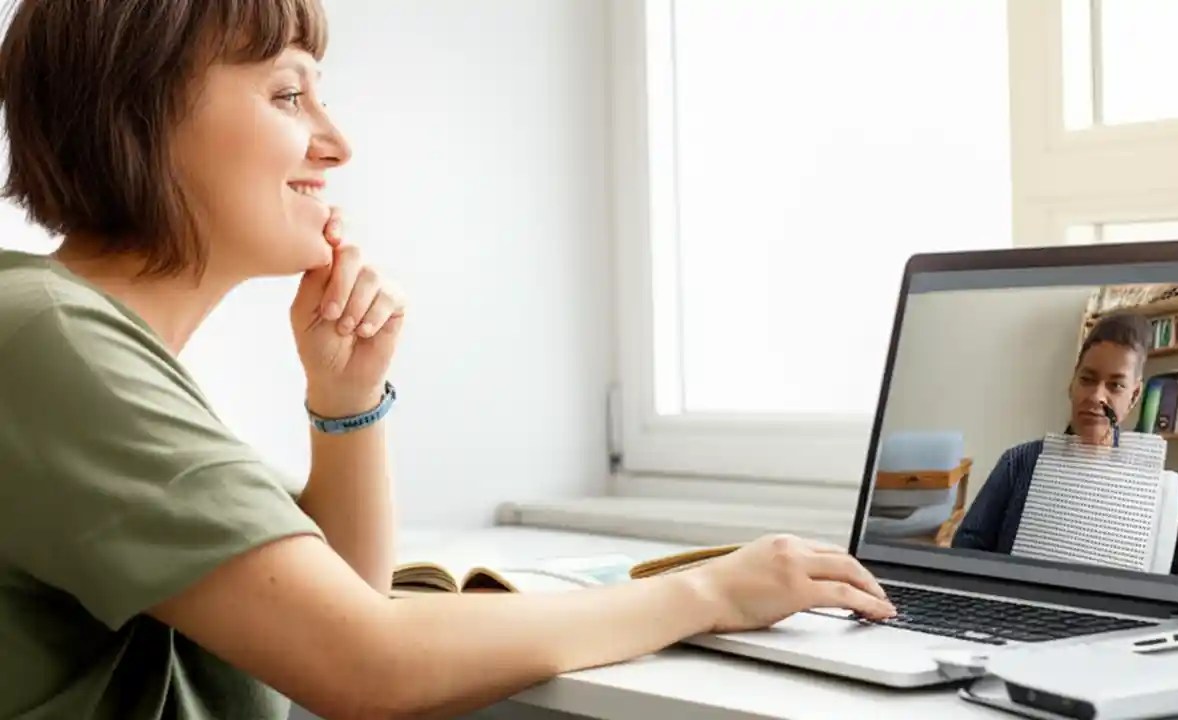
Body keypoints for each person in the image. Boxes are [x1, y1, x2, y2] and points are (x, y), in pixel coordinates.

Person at [0, 2, 895, 718]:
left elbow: (342, 610)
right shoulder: (49, 340)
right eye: (286, 95)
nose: (336, 142)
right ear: (139, 113)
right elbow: (365, 668)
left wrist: (345, 403)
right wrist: (709, 591)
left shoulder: (69, 337)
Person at [951, 312, 1178, 580]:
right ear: (1072, 383)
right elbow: (966, 548)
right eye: (1087, 379)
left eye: (1116, 386)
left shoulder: (1146, 483)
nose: (1097, 396)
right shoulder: (1018, 463)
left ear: (1134, 396)